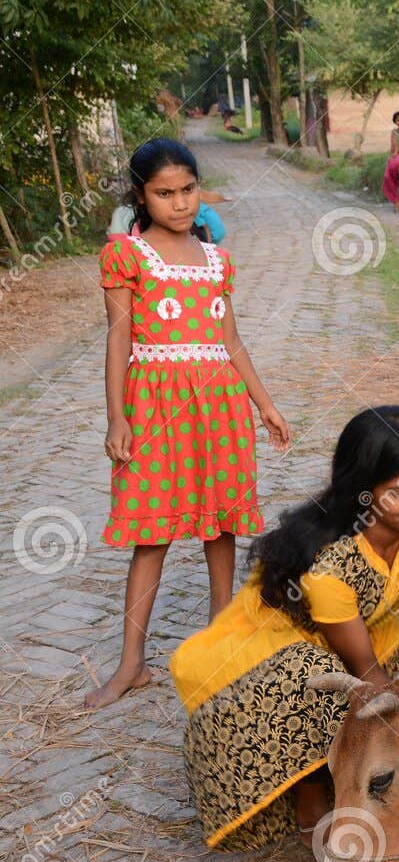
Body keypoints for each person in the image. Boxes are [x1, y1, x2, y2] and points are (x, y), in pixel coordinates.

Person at [169, 406, 399, 850]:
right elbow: (368, 676)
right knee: (334, 686)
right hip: (256, 683)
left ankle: (387, 775)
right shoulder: (331, 568)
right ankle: (310, 806)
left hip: (341, 644)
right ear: (363, 491)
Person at [90, 139, 291, 710]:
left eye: (187, 191)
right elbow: (119, 337)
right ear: (141, 195)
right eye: (164, 193)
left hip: (219, 406)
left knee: (221, 526)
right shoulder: (125, 256)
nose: (179, 204)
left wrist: (264, 403)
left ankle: (219, 643)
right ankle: (132, 662)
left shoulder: (218, 261)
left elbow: (230, 341)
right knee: (150, 532)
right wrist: (116, 415)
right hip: (153, 404)